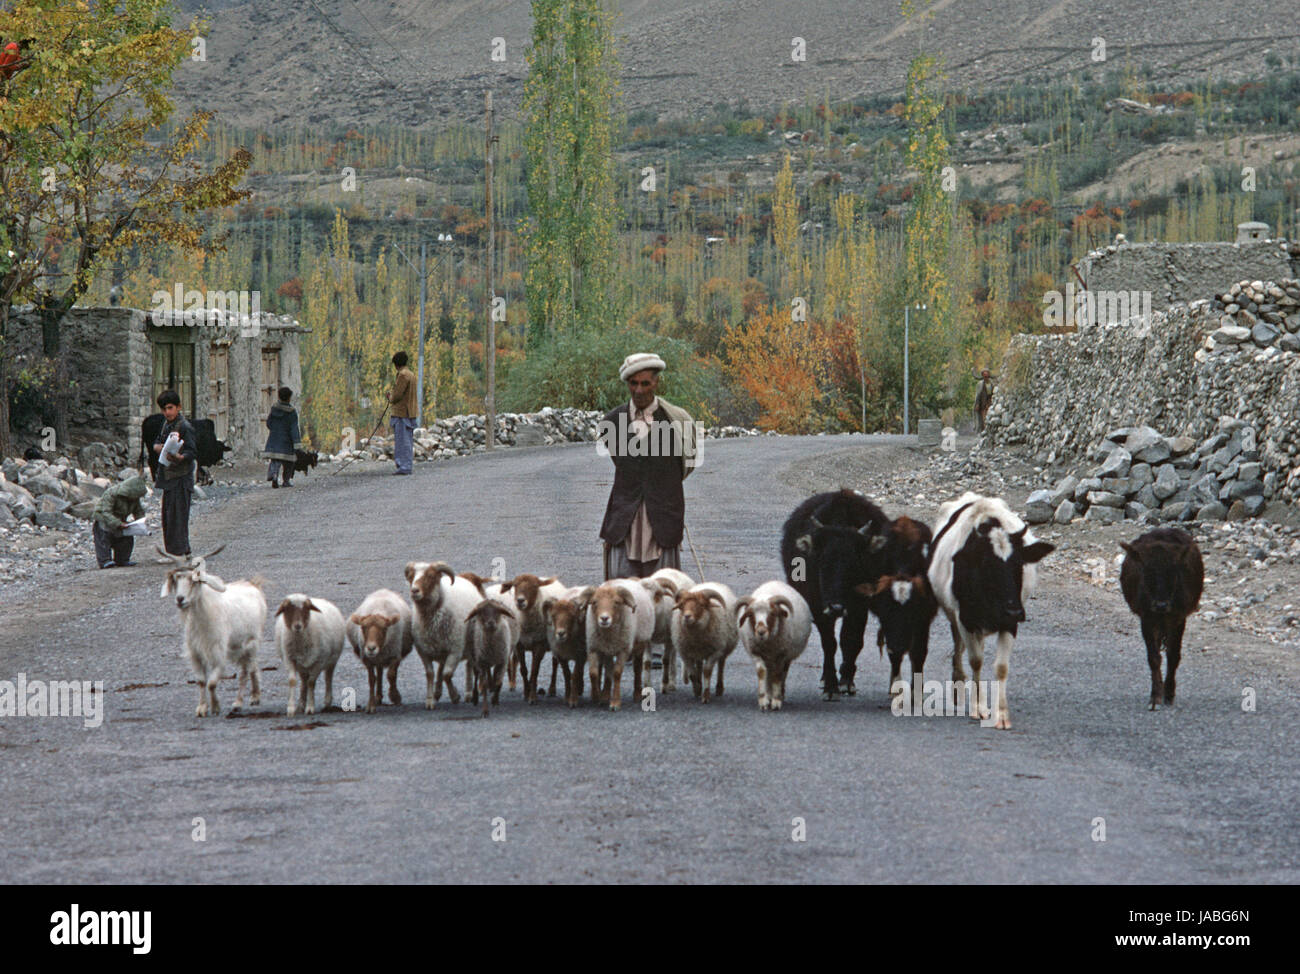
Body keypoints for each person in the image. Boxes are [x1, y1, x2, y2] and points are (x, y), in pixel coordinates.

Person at [599, 352, 698, 580]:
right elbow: (622, 464)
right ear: (627, 384)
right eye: (633, 384)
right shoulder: (611, 423)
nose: (639, 390)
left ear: (656, 382)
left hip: (663, 522)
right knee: (621, 598)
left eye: (645, 383)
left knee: (664, 594)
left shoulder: (678, 421)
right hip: (624, 523)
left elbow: (687, 462)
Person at [151, 389, 197, 557]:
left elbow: (192, 452)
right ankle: (178, 551)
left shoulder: (185, 427)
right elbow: (158, 442)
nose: (167, 412)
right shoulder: (165, 425)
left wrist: (179, 457)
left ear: (178, 407)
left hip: (181, 477)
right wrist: (158, 447)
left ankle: (180, 552)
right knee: (169, 516)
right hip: (169, 477)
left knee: (179, 516)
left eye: (170, 408)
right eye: (164, 409)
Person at [91, 474, 147, 569]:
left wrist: (141, 523)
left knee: (127, 537)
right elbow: (106, 512)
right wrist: (118, 523)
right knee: (104, 538)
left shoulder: (134, 499)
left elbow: (138, 511)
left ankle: (122, 559)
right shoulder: (112, 494)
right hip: (104, 520)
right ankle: (105, 560)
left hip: (121, 520)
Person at [262, 386, 302, 488]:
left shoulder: (274, 409)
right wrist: (297, 443)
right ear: (289, 398)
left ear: (279, 397)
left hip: (275, 440)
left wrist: (274, 430)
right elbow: (294, 428)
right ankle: (286, 481)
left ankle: (274, 475)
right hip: (286, 442)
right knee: (289, 463)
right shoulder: (291, 412)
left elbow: (269, 423)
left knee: (275, 461)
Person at [387, 351, 416, 475]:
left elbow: (397, 395)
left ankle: (404, 466)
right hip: (410, 412)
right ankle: (406, 464)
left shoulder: (402, 375)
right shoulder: (411, 374)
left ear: (396, 364)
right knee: (407, 440)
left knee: (402, 441)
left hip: (402, 413)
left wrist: (389, 397)